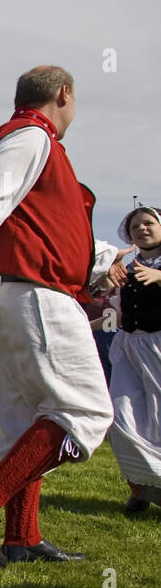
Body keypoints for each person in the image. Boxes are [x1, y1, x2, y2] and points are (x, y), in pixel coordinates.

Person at [0, 66, 127, 567]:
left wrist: (103, 260)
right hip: (32, 294)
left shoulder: (31, 140)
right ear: (65, 94)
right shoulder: (31, 134)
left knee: (24, 420)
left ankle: (23, 536)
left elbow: (34, 223)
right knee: (84, 413)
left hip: (13, 291)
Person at [107, 204, 161, 513]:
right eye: (135, 226)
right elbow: (119, 314)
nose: (141, 229)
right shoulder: (127, 269)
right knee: (121, 416)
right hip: (130, 348)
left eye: (148, 223)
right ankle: (139, 488)